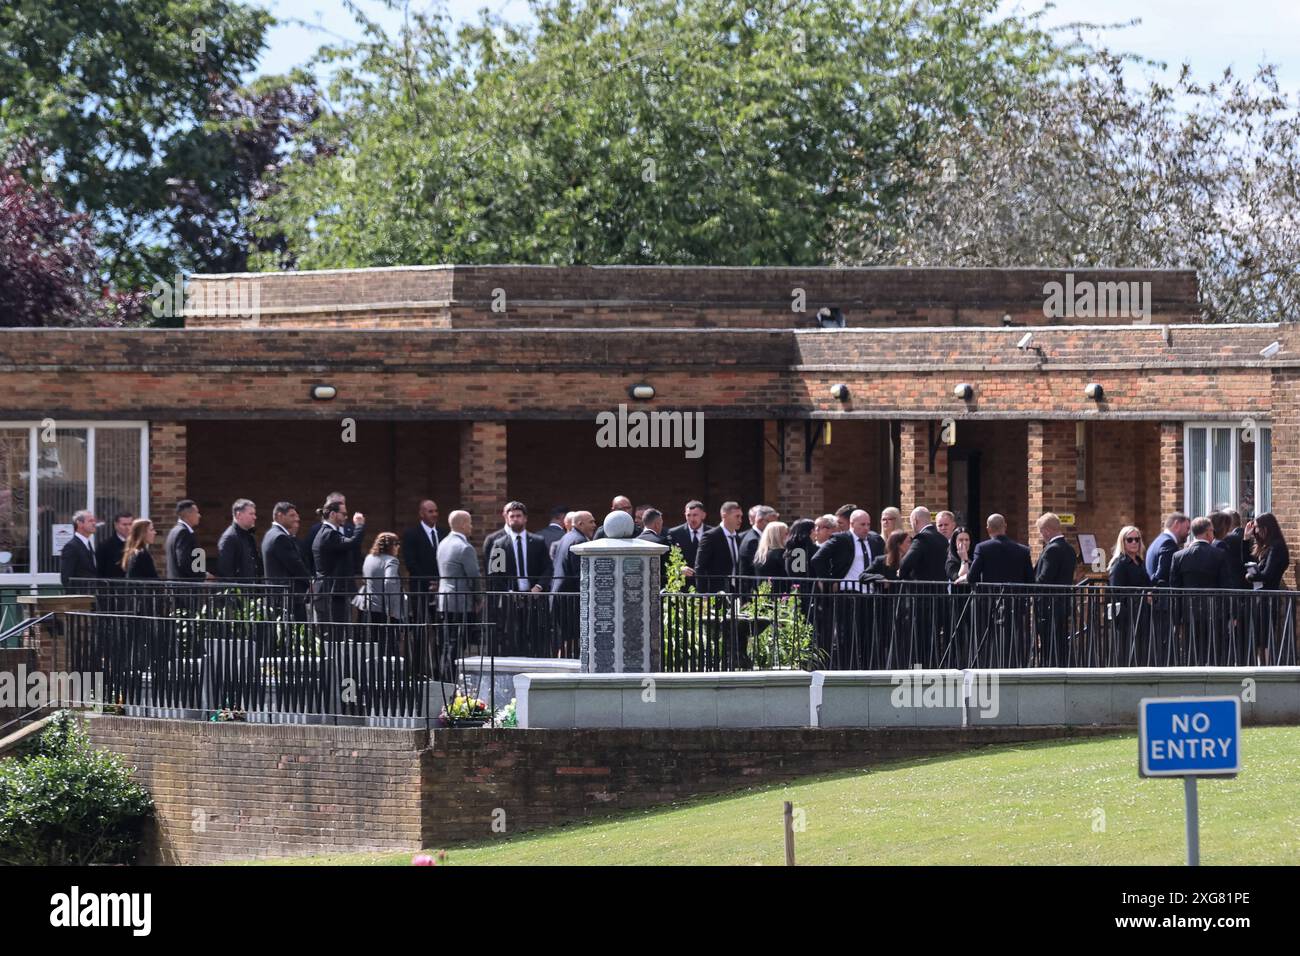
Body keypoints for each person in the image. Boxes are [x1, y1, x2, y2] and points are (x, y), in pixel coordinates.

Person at [1171, 516, 1236, 664]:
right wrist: (1232, 614)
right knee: (1214, 654)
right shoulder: (1219, 555)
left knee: (1191, 655)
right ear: (1207, 533)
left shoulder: (1179, 556)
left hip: (1189, 613)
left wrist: (1176, 619)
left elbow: (1175, 591)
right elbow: (1226, 586)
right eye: (1212, 531)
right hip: (1215, 612)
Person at [1245, 512, 1290, 664]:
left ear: (1266, 528)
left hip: (1269, 598)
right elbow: (1247, 562)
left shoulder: (1276, 548)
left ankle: (1266, 665)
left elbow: (1267, 574)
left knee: (1264, 635)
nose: (1255, 531)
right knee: (1259, 635)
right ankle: (1261, 664)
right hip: (1261, 597)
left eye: (1257, 528)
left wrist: (1251, 577)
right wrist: (1246, 539)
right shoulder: (1267, 547)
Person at [437, 511, 482, 665]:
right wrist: (479, 599)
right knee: (458, 644)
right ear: (463, 524)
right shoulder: (464, 547)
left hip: (444, 601)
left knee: (447, 643)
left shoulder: (442, 543)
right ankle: (451, 680)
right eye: (469, 523)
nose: (471, 526)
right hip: (460, 601)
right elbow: (474, 575)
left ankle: (444, 679)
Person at [312, 499, 367, 624]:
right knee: (334, 636)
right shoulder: (328, 534)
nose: (346, 517)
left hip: (331, 591)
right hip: (330, 593)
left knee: (336, 635)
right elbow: (353, 543)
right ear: (332, 514)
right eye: (343, 514)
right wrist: (359, 525)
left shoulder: (328, 533)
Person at [1034, 513, 1078, 666]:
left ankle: (1049, 668)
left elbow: (1045, 578)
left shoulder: (1052, 550)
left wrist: (1032, 586)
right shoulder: (1070, 550)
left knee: (1048, 644)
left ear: (1046, 530)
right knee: (1060, 642)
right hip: (1063, 603)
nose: (1041, 535)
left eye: (1040, 531)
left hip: (1048, 605)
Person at [1107, 525, 1152, 665]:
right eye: (1130, 539)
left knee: (1142, 649)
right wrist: (1141, 595)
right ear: (1123, 542)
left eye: (1137, 539)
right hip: (1127, 614)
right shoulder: (1119, 564)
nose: (1134, 543)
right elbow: (1117, 591)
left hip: (1143, 612)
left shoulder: (1140, 562)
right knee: (1127, 651)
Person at [262, 502, 311, 620]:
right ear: (280, 516)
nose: (297, 518)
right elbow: (295, 564)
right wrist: (310, 581)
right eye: (292, 515)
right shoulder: (280, 537)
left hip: (279, 595)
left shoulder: (271, 534)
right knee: (294, 634)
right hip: (287, 596)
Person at [401, 499, 443, 624]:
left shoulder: (444, 533)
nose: (434, 514)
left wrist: (439, 582)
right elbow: (411, 563)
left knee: (440, 626)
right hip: (420, 588)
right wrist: (429, 581)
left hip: (440, 588)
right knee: (420, 626)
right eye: (430, 511)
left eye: (436, 511)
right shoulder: (411, 534)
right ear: (421, 514)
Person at [354, 532, 406, 626]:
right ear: (391, 546)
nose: (398, 547)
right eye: (397, 544)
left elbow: (365, 579)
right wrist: (391, 609)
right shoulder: (391, 560)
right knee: (389, 639)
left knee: (372, 639)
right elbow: (390, 583)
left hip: (368, 605)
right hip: (385, 609)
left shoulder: (369, 558)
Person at [966, 514, 1033, 585]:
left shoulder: (982, 548)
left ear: (988, 529)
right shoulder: (1023, 550)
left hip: (990, 594)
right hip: (1016, 595)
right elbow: (1030, 580)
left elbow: (972, 577)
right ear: (1005, 526)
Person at [693, 501, 745, 593]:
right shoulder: (711, 536)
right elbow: (700, 566)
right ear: (724, 516)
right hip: (715, 591)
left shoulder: (738, 538)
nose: (740, 520)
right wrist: (702, 593)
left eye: (741, 516)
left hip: (735, 590)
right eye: (737, 516)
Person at [217, 498, 262, 581]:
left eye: (254, 514)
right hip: (240, 592)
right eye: (251, 514)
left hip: (251, 591)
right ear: (238, 515)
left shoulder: (249, 536)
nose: (255, 517)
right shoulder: (229, 538)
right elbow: (226, 572)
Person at [551, 511, 596, 593]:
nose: (594, 525)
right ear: (580, 524)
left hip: (558, 592)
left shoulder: (566, 537)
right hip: (570, 597)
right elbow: (580, 573)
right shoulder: (579, 541)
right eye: (591, 522)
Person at [165, 499, 207, 581]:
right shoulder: (183, 532)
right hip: (185, 588)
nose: (199, 515)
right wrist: (202, 576)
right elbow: (184, 562)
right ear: (188, 514)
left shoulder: (174, 531)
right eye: (197, 512)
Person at [1145, 512, 1190, 587]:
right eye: (1187, 528)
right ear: (1177, 525)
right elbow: (1163, 575)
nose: (1188, 533)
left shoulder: (1158, 540)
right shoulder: (1168, 543)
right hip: (1163, 596)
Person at [667, 500, 711, 572]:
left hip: (706, 579)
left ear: (703, 515)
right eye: (688, 515)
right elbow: (668, 558)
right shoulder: (674, 533)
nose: (692, 519)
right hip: (684, 579)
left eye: (695, 515)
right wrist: (679, 568)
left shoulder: (711, 533)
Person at [59, 509, 99, 588]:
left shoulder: (88, 544)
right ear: (80, 523)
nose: (94, 523)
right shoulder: (71, 547)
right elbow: (66, 577)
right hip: (80, 596)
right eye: (90, 521)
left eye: (94, 521)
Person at [95, 512, 133, 580]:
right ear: (116, 525)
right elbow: (100, 571)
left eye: (130, 524)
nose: (128, 528)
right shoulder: (105, 546)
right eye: (124, 524)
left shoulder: (137, 545)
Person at [752, 520, 789, 587]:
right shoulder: (780, 554)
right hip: (780, 593)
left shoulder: (760, 554)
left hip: (763, 592)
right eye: (786, 534)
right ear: (778, 536)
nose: (788, 537)